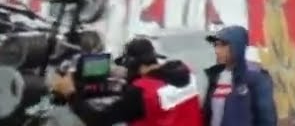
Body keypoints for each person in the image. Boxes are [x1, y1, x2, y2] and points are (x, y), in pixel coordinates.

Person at [51, 36, 201, 126]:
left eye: (129, 69)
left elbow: (98, 120)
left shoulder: (140, 94)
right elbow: (159, 83)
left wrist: (70, 93)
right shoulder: (184, 71)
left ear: (138, 67)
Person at [204, 25, 276, 126]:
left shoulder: (256, 79)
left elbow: (266, 120)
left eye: (223, 46)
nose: (217, 51)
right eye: (216, 45)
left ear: (237, 47)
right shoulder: (214, 77)